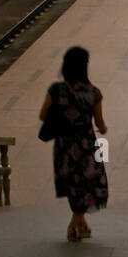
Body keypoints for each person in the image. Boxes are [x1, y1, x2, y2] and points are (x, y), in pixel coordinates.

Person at [40, 46, 109, 241]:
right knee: (92, 183)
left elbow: (43, 115)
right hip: (87, 146)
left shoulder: (56, 90)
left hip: (63, 146)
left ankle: (81, 225)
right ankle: (73, 226)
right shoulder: (94, 93)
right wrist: (103, 129)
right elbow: (100, 123)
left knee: (72, 185)